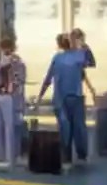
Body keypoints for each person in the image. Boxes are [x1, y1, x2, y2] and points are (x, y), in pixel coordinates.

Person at [37, 33, 98, 170]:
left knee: (67, 128)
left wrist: (40, 97)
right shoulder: (77, 56)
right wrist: (84, 45)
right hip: (73, 98)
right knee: (77, 128)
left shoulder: (59, 58)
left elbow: (48, 79)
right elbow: (92, 62)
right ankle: (79, 156)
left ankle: (68, 157)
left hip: (62, 99)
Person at [0, 37, 26, 171]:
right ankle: (8, 158)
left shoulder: (3, 60)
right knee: (6, 127)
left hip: (1, 95)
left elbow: (16, 81)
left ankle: (4, 158)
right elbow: (20, 81)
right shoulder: (13, 61)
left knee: (2, 127)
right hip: (5, 96)